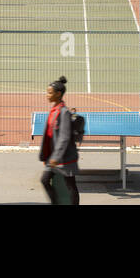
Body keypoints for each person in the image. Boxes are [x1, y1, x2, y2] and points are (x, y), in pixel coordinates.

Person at [38, 75, 79, 205]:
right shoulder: (54, 110)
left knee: (70, 185)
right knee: (45, 180)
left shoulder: (64, 112)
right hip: (53, 156)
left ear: (58, 94)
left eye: (50, 93)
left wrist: (56, 157)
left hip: (64, 157)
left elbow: (64, 137)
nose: (47, 95)